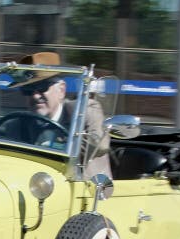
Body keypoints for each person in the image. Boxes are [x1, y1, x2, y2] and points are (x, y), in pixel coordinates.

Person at [11, 51, 112, 179]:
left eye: (42, 87)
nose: (35, 96)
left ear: (61, 90)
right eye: (27, 90)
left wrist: (51, 146)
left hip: (87, 191)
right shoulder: (22, 123)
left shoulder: (84, 110)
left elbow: (99, 144)